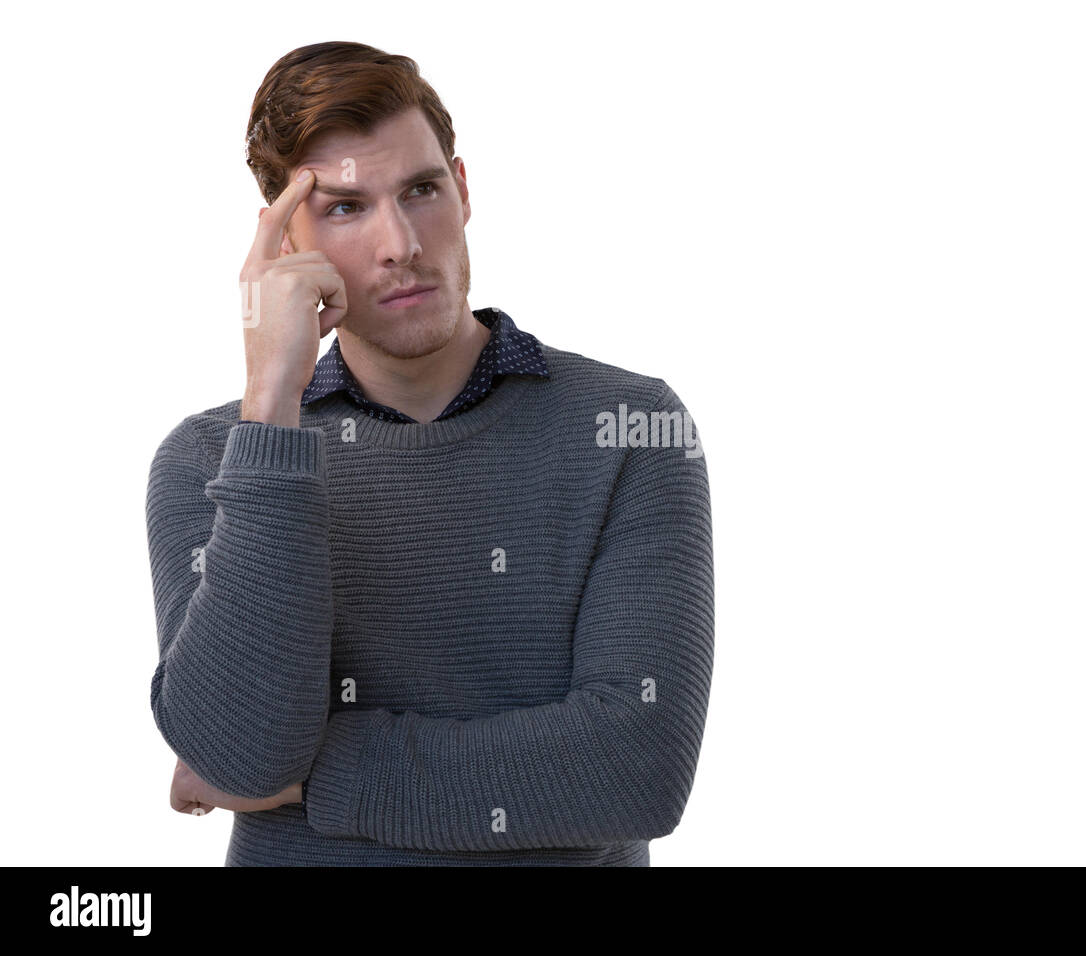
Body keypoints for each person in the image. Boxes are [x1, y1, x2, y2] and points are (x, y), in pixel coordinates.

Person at [144, 41, 714, 866]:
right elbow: (244, 754)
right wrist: (269, 406)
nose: (400, 243)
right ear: (283, 249)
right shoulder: (212, 458)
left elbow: (636, 771)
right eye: (344, 207)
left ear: (464, 188)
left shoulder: (629, 427)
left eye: (421, 190)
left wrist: (309, 779)